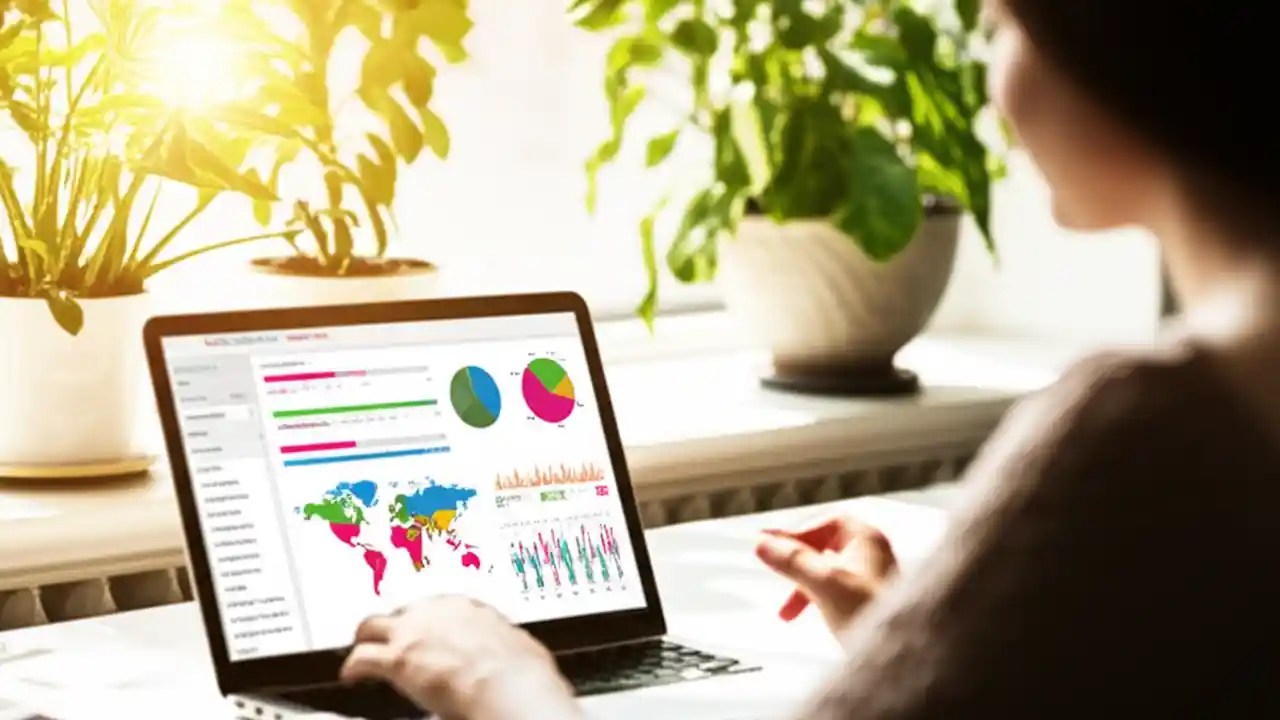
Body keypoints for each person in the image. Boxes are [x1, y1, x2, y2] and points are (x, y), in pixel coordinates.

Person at [338, 0, 1280, 716]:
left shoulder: (1154, 423)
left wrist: (500, 679)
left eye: (998, 25)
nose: (992, 79)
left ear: (1118, 47)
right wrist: (921, 640)